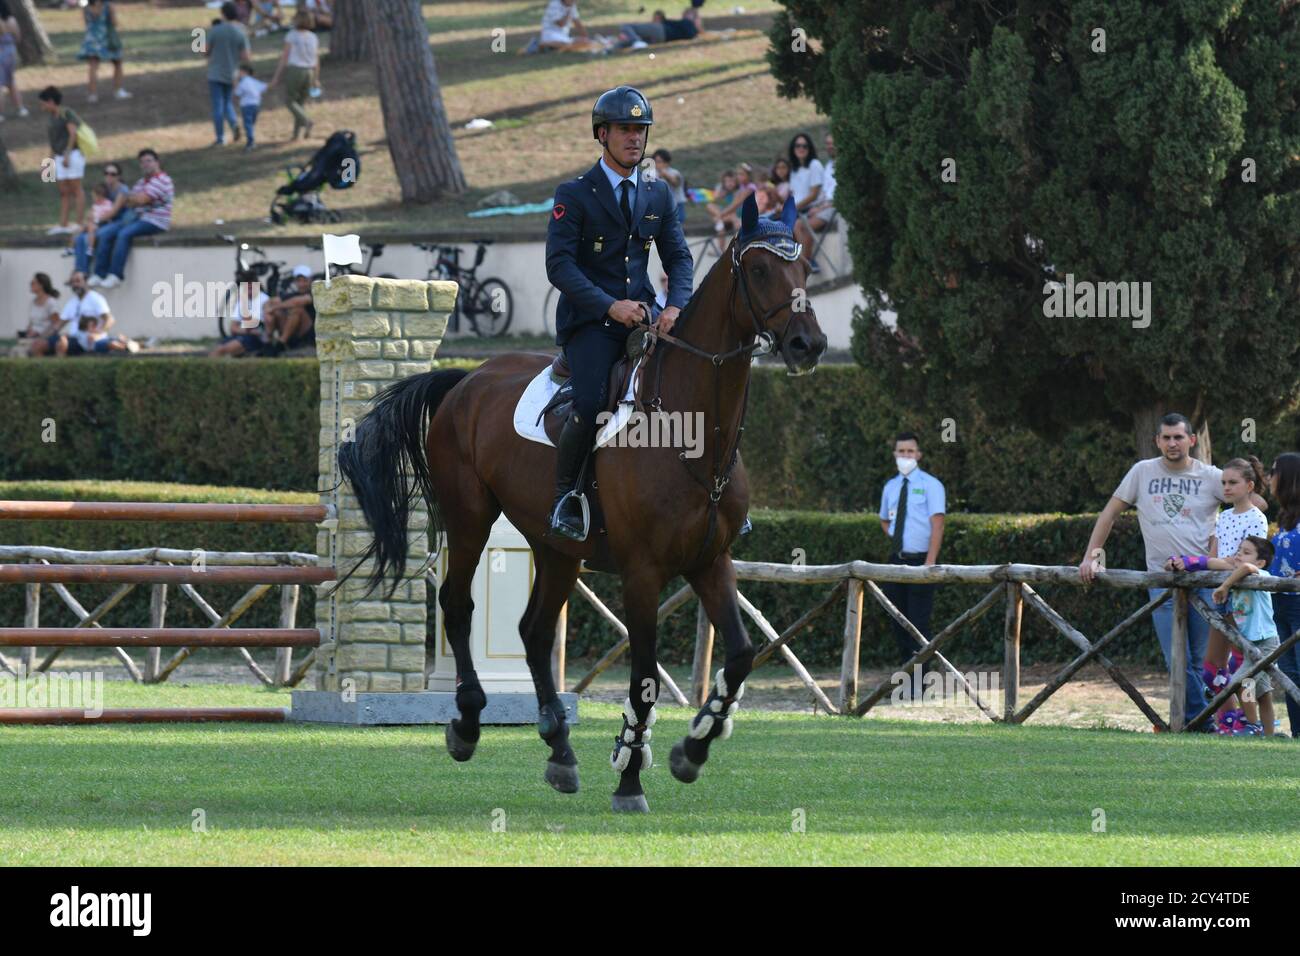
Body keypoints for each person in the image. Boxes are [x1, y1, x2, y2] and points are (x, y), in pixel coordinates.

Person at [544, 85, 692, 539]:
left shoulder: (658, 193)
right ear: (602, 134)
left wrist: (677, 306)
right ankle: (565, 498)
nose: (635, 138)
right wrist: (610, 304)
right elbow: (559, 266)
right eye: (626, 130)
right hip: (592, 324)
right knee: (590, 402)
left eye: (640, 130)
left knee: (696, 386)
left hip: (646, 317)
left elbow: (679, 258)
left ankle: (712, 495)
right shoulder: (575, 193)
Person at [1079, 413, 1268, 726]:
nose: (1172, 443)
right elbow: (1109, 514)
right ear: (1157, 441)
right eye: (1165, 437)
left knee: (1199, 660)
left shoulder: (1210, 476)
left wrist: (1223, 543)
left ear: (1191, 440)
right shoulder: (1142, 472)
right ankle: (1202, 723)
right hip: (1162, 579)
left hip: (1205, 580)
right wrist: (1091, 557)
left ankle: (1199, 723)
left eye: (1178, 437)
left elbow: (1256, 503)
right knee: (1175, 659)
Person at [878, 432, 946, 698]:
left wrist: (930, 562)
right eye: (901, 452)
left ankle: (921, 682)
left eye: (910, 452)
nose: (905, 456)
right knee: (898, 621)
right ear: (895, 455)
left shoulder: (931, 484)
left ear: (918, 455)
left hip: (921, 561)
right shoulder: (891, 486)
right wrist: (897, 538)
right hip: (896, 561)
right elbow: (885, 519)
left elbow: (938, 524)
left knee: (918, 623)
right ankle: (905, 680)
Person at [1209, 536, 1280, 736]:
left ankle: (1253, 726)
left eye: (1246, 552)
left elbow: (1247, 568)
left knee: (1240, 683)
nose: (1239, 554)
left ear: (1261, 563)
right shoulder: (1239, 582)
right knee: (1262, 693)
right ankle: (1269, 735)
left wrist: (1225, 585)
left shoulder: (1261, 575)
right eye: (1239, 550)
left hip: (1266, 642)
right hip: (1251, 644)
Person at [88, 148, 173, 289]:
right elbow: (130, 200)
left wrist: (138, 200)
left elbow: (141, 199)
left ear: (157, 162)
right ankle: (99, 274)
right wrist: (136, 200)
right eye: (142, 162)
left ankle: (115, 275)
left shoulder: (163, 180)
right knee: (104, 233)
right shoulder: (142, 182)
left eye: (149, 161)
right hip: (137, 218)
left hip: (155, 221)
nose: (146, 164)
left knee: (124, 234)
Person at [1267, 452, 1300, 736]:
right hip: (1280, 604)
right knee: (1290, 672)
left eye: (1274, 471)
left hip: (1299, 604)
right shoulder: (1285, 517)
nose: (1269, 477)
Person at [37, 87, 86, 235]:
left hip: (72, 155)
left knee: (76, 188)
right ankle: (63, 224)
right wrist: (47, 164)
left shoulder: (66, 113)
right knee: (63, 191)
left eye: (43, 103)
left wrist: (67, 154)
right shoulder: (52, 117)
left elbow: (73, 134)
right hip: (58, 156)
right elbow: (53, 143)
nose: (42, 107)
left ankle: (79, 223)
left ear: (51, 101)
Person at [205, 2, 251, 147]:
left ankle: (220, 137)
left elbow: (204, 51)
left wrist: (197, 41)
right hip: (232, 73)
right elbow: (246, 57)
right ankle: (234, 124)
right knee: (228, 102)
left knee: (218, 105)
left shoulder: (216, 30)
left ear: (223, 14)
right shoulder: (241, 31)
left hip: (215, 73)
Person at [72, 162, 131, 275]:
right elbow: (96, 205)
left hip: (119, 221)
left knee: (101, 235)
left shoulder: (123, 190)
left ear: (118, 176)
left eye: (113, 174)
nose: (109, 176)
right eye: (106, 173)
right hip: (104, 221)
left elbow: (113, 212)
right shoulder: (104, 188)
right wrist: (89, 219)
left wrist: (95, 221)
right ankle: (81, 271)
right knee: (80, 238)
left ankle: (100, 272)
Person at [269, 10, 319, 140]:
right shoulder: (313, 37)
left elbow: (285, 58)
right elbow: (316, 59)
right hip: (309, 71)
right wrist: (316, 78)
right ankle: (296, 135)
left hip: (295, 70)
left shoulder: (292, 35)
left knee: (290, 101)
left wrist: (276, 77)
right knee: (300, 104)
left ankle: (307, 121)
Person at [209, 269, 271, 357]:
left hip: (255, 339)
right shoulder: (242, 300)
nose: (248, 288)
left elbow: (265, 325)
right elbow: (233, 328)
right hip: (244, 335)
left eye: (251, 285)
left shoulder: (265, 300)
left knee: (223, 350)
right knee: (217, 348)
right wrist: (247, 331)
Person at [77, 0, 130, 104]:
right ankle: (118, 90)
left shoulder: (86, 8)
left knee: (93, 67)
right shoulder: (108, 6)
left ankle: (92, 94)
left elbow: (87, 23)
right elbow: (114, 22)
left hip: (91, 39)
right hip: (106, 38)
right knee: (117, 63)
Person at [54, 271, 112, 356]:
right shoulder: (72, 302)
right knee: (46, 343)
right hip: (74, 338)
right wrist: (43, 337)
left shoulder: (96, 298)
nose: (74, 284)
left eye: (77, 281)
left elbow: (109, 319)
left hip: (88, 340)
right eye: (72, 282)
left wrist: (99, 334)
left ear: (86, 282)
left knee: (63, 343)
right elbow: (58, 324)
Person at [261, 264, 316, 351]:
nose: (302, 284)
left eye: (304, 280)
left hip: (308, 332)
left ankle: (281, 344)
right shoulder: (291, 294)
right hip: (292, 331)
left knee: (297, 310)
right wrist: (267, 313)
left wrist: (273, 307)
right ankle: (268, 342)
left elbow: (297, 302)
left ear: (310, 280)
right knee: (275, 313)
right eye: (299, 281)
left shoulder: (314, 294)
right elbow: (269, 302)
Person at [538, 0, 606, 53]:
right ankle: (544, 44)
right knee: (569, 44)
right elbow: (561, 24)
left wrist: (586, 38)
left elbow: (578, 24)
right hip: (550, 34)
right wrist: (569, 11)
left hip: (562, 36)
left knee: (583, 42)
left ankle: (555, 48)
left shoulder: (572, 6)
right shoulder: (555, 4)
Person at [616, 7, 701, 49]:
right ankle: (612, 47)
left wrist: (661, 19)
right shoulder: (693, 33)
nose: (683, 15)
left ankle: (635, 41)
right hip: (662, 39)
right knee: (635, 41)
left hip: (660, 29)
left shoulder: (688, 23)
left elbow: (666, 21)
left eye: (686, 14)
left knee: (626, 26)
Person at [19, 273, 61, 357]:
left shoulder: (51, 302)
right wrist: (29, 331)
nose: (30, 285)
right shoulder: (33, 302)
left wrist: (40, 335)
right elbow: (31, 322)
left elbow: (56, 325)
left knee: (30, 349)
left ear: (41, 285)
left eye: (33, 283)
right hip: (33, 337)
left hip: (46, 338)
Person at [0, 1, 28, 119]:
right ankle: (21, 108)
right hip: (11, 51)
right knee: (11, 81)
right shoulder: (11, 20)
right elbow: (18, 37)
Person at [806, 132, 837, 232]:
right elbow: (824, 192)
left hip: (835, 208)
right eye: (828, 144)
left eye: (833, 143)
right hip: (824, 205)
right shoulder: (828, 165)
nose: (830, 146)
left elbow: (840, 198)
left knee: (801, 227)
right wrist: (817, 206)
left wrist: (820, 208)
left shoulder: (843, 166)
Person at [233, 62, 267, 151]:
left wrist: (235, 81)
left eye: (239, 72)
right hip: (256, 105)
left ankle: (250, 142)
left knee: (247, 124)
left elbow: (237, 93)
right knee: (251, 123)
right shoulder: (254, 81)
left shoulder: (243, 82)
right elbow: (264, 87)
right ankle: (251, 138)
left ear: (244, 72)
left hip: (246, 106)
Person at [651, 148, 686, 224]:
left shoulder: (674, 172)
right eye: (655, 162)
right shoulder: (650, 174)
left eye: (660, 162)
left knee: (677, 227)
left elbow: (676, 183)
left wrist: (665, 175)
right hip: (659, 205)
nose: (657, 164)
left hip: (676, 204)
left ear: (667, 162)